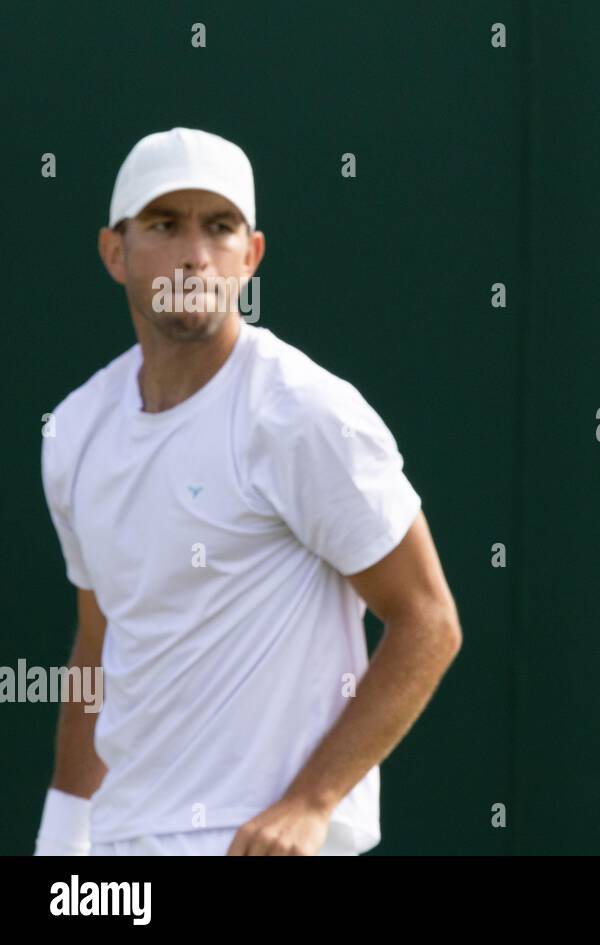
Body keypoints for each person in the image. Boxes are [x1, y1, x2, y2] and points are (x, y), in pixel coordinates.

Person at [35, 128, 462, 856]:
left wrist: (309, 802)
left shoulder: (302, 412)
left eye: (220, 226)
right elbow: (99, 645)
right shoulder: (74, 431)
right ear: (116, 251)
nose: (195, 254)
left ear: (251, 254)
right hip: (117, 852)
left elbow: (429, 620)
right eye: (166, 225)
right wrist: (62, 841)